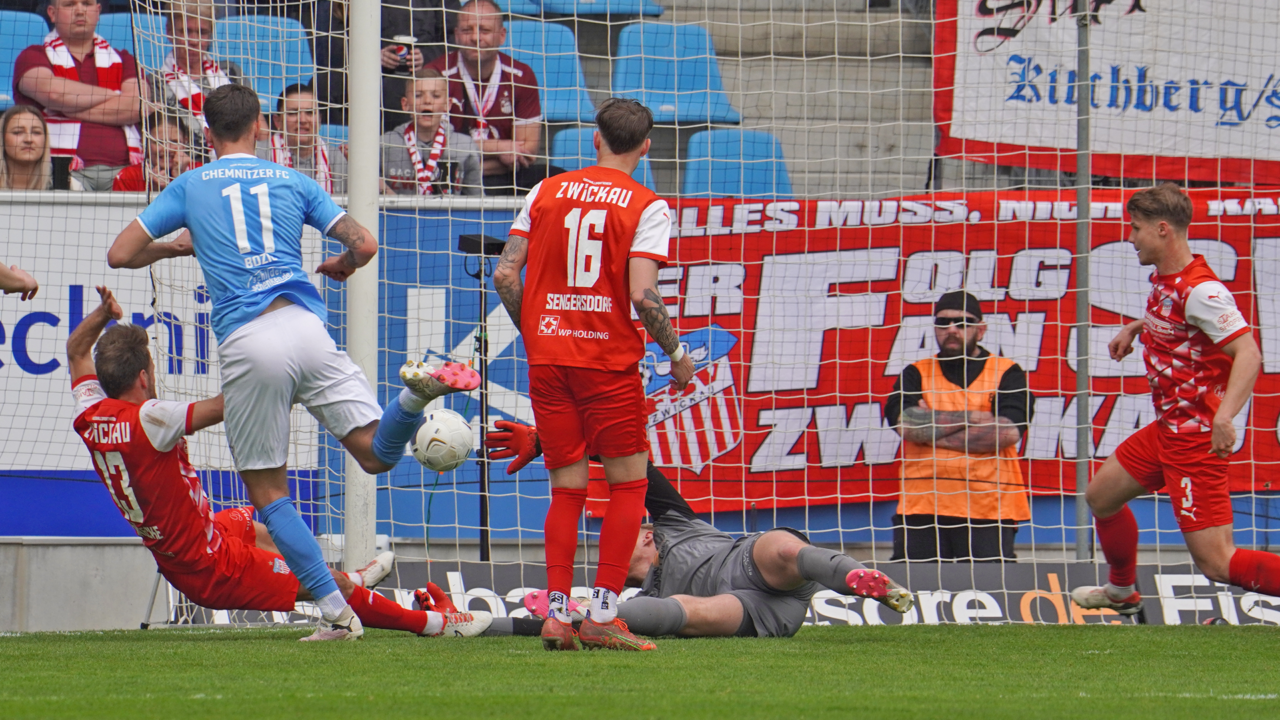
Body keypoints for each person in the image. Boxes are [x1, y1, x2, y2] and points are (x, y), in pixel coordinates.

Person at [107, 83, 481, 640]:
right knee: (375, 455)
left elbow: (120, 254)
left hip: (249, 340)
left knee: (269, 494)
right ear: (261, 126)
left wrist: (176, 246)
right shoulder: (292, 179)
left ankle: (336, 615)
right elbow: (365, 243)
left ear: (207, 132)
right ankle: (413, 396)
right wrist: (343, 266)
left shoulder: (189, 185)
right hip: (305, 327)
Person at [66, 285, 492, 640]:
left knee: (252, 523)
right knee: (328, 587)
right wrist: (286, 371)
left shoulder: (90, 413)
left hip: (197, 539)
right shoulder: (154, 418)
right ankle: (436, 624)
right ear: (144, 377)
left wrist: (102, 315)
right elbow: (228, 404)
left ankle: (355, 581)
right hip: (210, 568)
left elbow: (75, 350)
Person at [493, 97, 693, 652]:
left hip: (548, 360)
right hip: (607, 362)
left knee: (566, 489)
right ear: (646, 147)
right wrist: (677, 355)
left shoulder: (544, 190)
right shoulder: (647, 205)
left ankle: (558, 614)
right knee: (629, 485)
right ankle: (603, 613)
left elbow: (506, 274)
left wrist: (536, 332)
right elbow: (643, 295)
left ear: (594, 139)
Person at [481, 420, 915, 639]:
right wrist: (485, 625)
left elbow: (626, 458)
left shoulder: (673, 519)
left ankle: (854, 577)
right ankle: (577, 616)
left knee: (783, 550)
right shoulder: (638, 597)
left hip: (745, 561)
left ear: (646, 533)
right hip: (761, 612)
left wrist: (546, 439)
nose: (604, 547)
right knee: (691, 613)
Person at [1071, 184, 1279, 614]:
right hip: (1168, 430)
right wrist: (1136, 327)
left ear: (1162, 229)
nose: (1131, 237)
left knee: (1218, 563)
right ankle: (1121, 591)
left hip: (1195, 438)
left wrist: (1224, 417)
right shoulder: (1169, 282)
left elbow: (1249, 354)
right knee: (1101, 496)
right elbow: (1179, 322)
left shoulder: (1203, 290)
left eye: (1136, 228)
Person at [884, 290, 1035, 562]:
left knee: (990, 587)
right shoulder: (915, 372)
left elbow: (1007, 432)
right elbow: (905, 425)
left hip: (989, 507)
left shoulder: (1007, 372)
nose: (952, 329)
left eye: (963, 323)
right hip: (923, 505)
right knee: (915, 586)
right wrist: (974, 418)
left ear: (981, 330)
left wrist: (930, 427)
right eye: (943, 323)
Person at [426, 0, 562, 194]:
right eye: (467, 30)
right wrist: (500, 147)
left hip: (501, 174)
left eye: (485, 30)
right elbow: (432, 145)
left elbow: (528, 151)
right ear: (456, 35)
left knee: (555, 177)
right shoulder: (436, 75)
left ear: (502, 35)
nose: (475, 37)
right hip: (448, 178)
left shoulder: (521, 76)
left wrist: (473, 165)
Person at [13, 0, 143, 191]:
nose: (80, 11)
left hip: (125, 172)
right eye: (70, 4)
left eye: (87, 4)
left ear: (98, 11)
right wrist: (115, 95)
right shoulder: (32, 56)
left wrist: (68, 108)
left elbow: (136, 106)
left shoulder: (125, 59)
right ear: (52, 13)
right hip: (60, 172)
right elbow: (55, 94)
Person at [311, 0, 460, 128]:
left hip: (423, 73)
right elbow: (332, 40)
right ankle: (338, 146)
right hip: (363, 70)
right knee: (321, 85)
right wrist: (371, 56)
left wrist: (425, 57)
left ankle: (395, 147)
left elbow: (455, 37)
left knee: (395, 89)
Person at [148, 0, 243, 157]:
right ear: (169, 31)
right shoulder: (155, 83)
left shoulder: (231, 72)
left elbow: (259, 130)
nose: (193, 40)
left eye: (202, 32)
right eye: (185, 31)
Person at [380, 72, 482, 195]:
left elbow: (476, 199)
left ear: (447, 104)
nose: (427, 101)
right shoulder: (385, 144)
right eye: (418, 95)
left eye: (436, 96)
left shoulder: (465, 146)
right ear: (405, 104)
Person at [256, 84, 347, 195]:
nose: (302, 120)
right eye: (293, 113)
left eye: (310, 112)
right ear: (277, 121)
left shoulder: (337, 157)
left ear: (319, 120)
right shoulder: (258, 156)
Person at [112, 112, 197, 192]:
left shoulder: (200, 172)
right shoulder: (128, 177)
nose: (167, 149)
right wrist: (154, 190)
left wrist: (180, 179)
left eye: (174, 142)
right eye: (159, 142)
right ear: (145, 143)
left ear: (185, 142)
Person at [0, 105, 51, 190]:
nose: (28, 139)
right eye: (17, 132)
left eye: (36, 132)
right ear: (2, 139)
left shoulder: (66, 183)